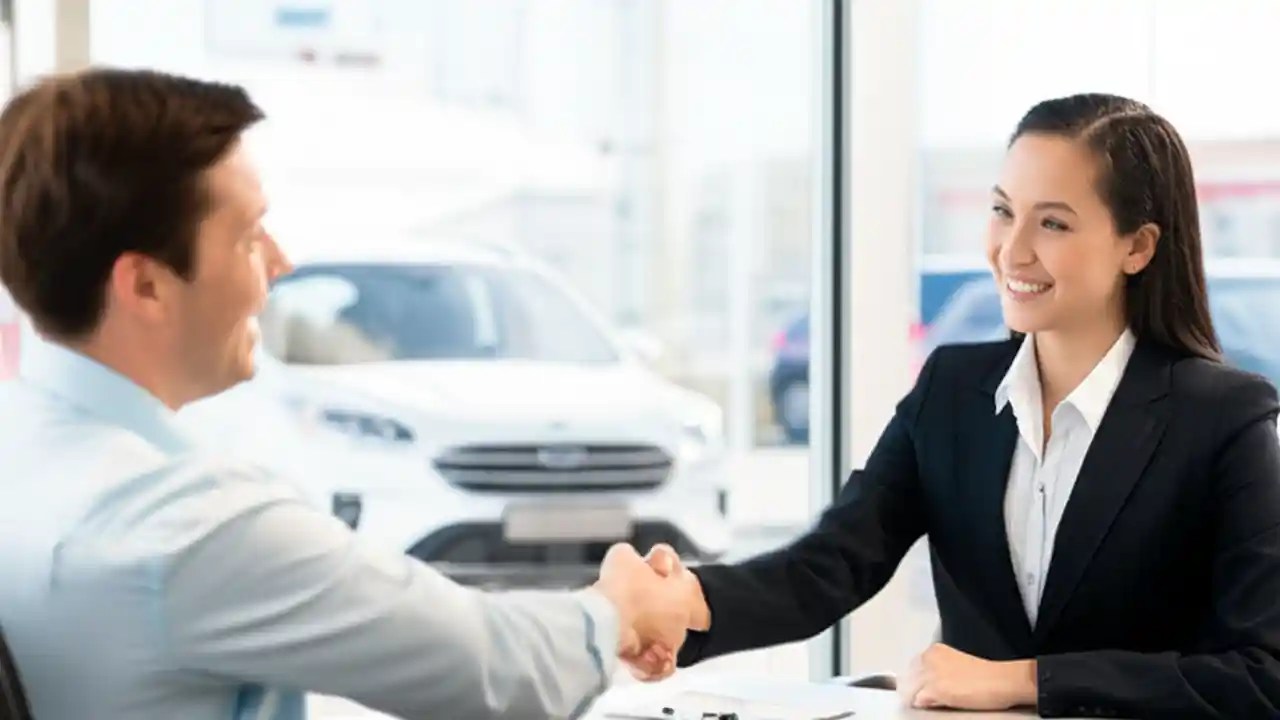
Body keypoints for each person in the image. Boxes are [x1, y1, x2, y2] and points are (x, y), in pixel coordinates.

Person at [0, 67, 689, 720]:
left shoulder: (23, 444)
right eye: (246, 237)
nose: (280, 261)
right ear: (146, 286)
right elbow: (497, 671)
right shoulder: (186, 528)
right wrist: (618, 606)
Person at [628, 93, 1280, 719]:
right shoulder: (951, 391)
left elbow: (1262, 674)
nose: (1012, 249)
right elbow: (829, 565)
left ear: (1137, 247)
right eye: (1002, 211)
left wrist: (1023, 681)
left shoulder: (1223, 419)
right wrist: (686, 603)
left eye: (1052, 222)